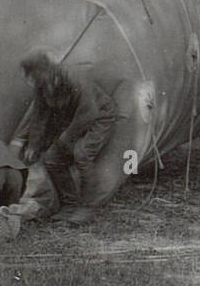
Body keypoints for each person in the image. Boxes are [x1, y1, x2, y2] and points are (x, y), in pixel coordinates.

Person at [17, 50, 123, 224]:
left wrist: (66, 139)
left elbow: (88, 112)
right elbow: (39, 116)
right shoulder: (43, 85)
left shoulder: (73, 79)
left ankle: (87, 209)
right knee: (51, 159)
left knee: (82, 155)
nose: (31, 81)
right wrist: (34, 145)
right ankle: (69, 205)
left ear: (43, 70)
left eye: (32, 75)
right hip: (75, 119)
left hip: (99, 116)